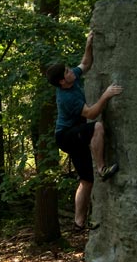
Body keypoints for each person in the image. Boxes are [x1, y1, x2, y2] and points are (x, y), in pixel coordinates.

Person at [47, 31, 123, 232]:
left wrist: (88, 45)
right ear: (62, 82)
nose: (70, 71)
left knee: (86, 180)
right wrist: (106, 95)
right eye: (66, 72)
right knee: (96, 126)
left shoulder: (71, 78)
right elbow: (90, 113)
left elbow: (86, 64)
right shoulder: (67, 98)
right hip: (67, 136)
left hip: (75, 133)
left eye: (67, 69)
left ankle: (79, 222)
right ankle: (102, 168)